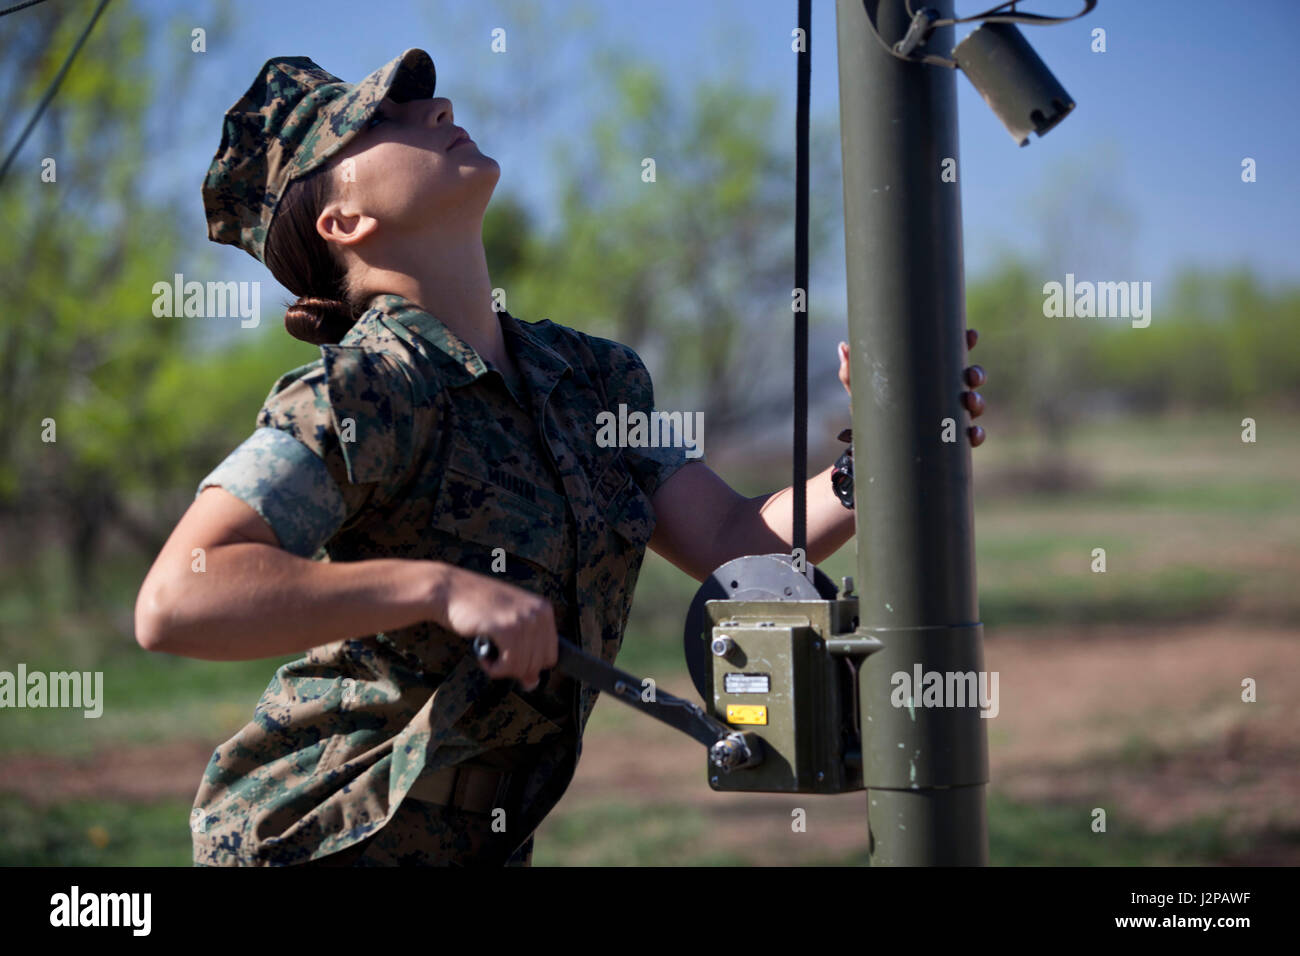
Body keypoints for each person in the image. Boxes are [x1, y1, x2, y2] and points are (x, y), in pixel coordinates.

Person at [134, 48, 988, 867]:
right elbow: (179, 595)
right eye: (380, 121)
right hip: (314, 839)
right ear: (344, 219)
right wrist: (441, 589)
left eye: (424, 101)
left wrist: (883, 452)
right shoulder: (364, 390)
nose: (438, 109)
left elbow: (737, 544)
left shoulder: (594, 379)